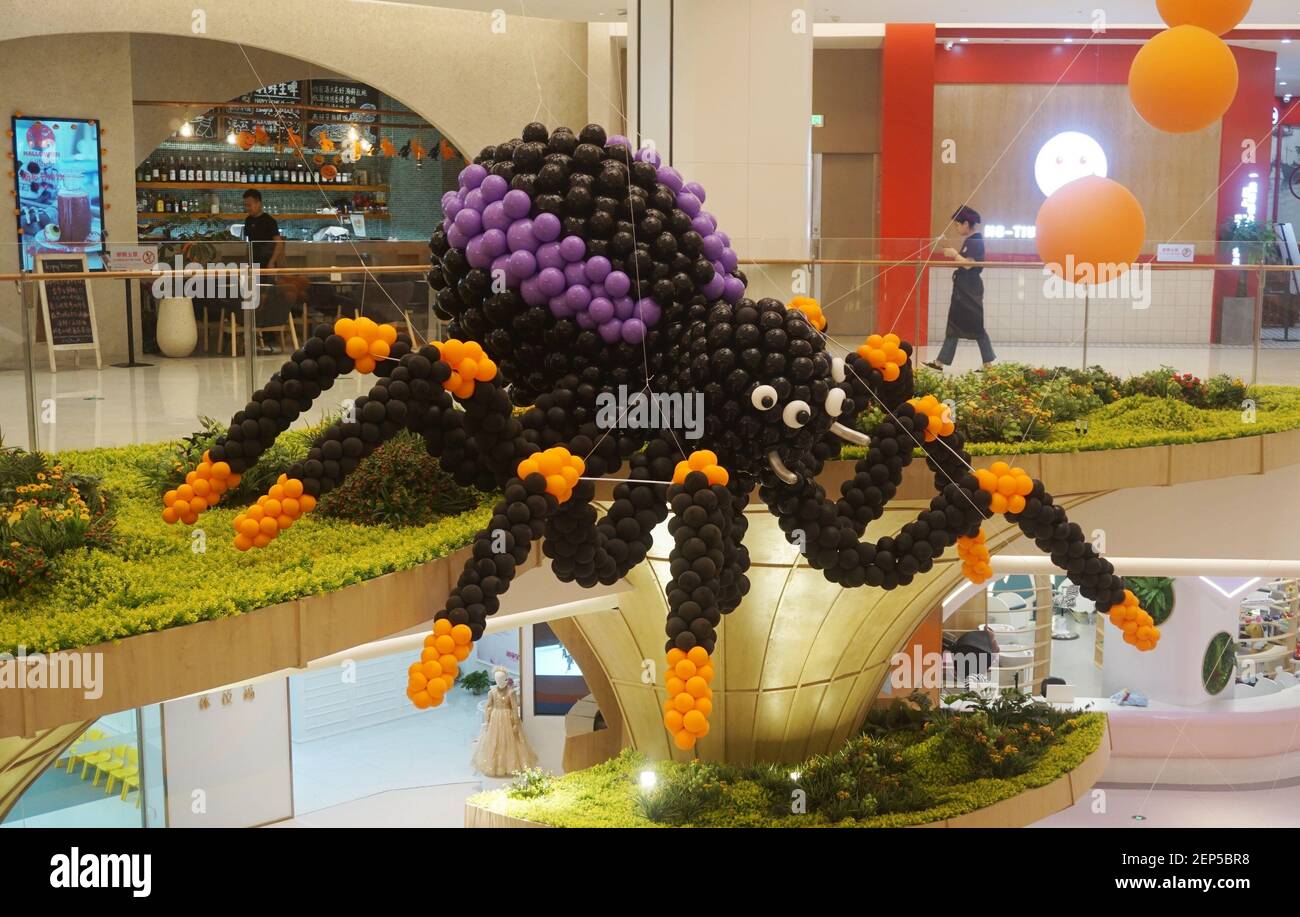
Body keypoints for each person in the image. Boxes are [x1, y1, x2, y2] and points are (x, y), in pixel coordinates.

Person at [924, 206, 995, 373]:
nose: (956, 228)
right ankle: (941, 362)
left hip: (969, 291)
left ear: (965, 223)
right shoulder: (972, 240)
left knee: (972, 327)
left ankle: (942, 362)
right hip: (964, 289)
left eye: (957, 225)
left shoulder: (975, 241)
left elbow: (970, 264)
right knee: (957, 326)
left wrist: (954, 254)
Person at [242, 189, 285, 354]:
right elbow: (249, 244)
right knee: (253, 297)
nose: (247, 208)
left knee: (268, 298)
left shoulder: (269, 221)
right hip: (253, 266)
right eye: (245, 205)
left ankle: (269, 335)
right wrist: (246, 263)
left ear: (258, 203)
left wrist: (272, 263)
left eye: (249, 204)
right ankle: (256, 333)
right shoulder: (247, 221)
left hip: (267, 265)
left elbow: (278, 243)